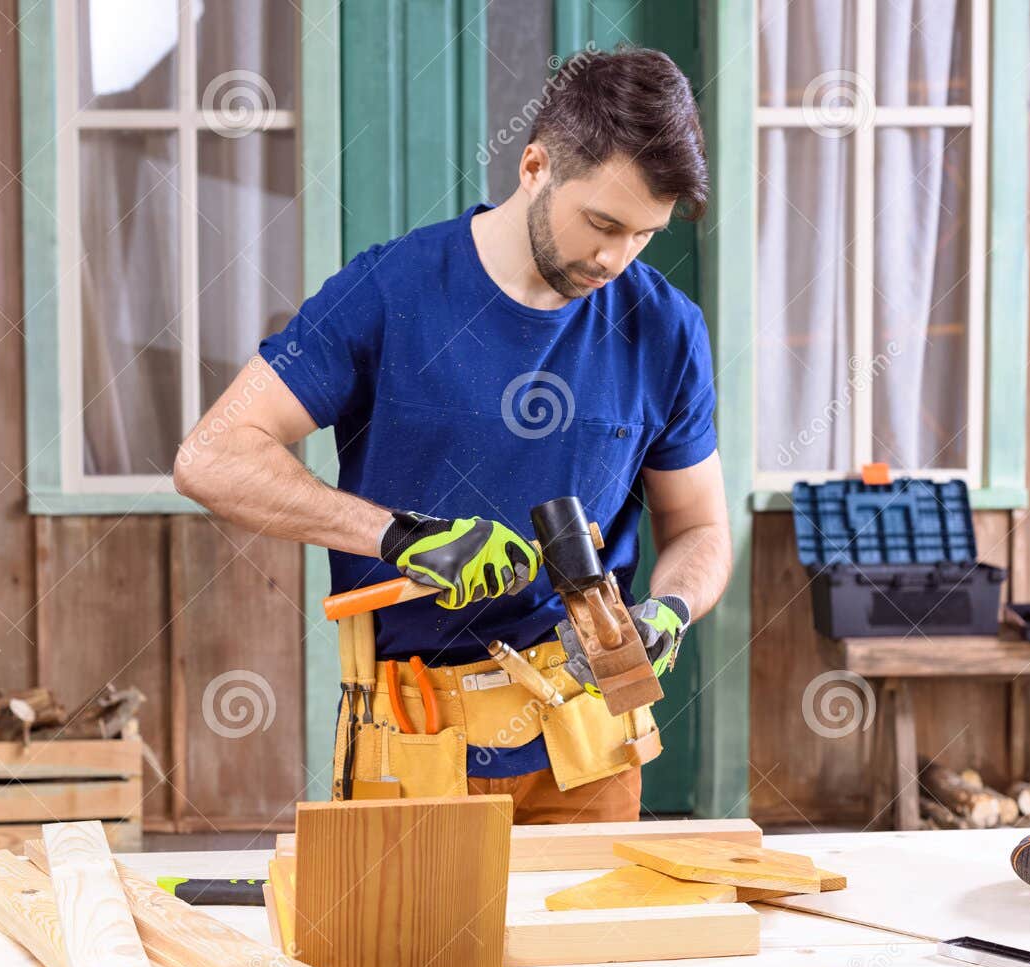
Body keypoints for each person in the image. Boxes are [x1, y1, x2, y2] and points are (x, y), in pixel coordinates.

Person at [175, 47, 730, 823]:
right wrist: (400, 535)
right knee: (406, 945)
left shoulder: (665, 326)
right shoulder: (390, 291)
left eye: (644, 234)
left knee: (591, 946)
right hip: (415, 740)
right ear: (535, 166)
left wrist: (670, 606)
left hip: (589, 746)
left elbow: (702, 526)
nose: (616, 258)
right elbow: (210, 457)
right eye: (602, 224)